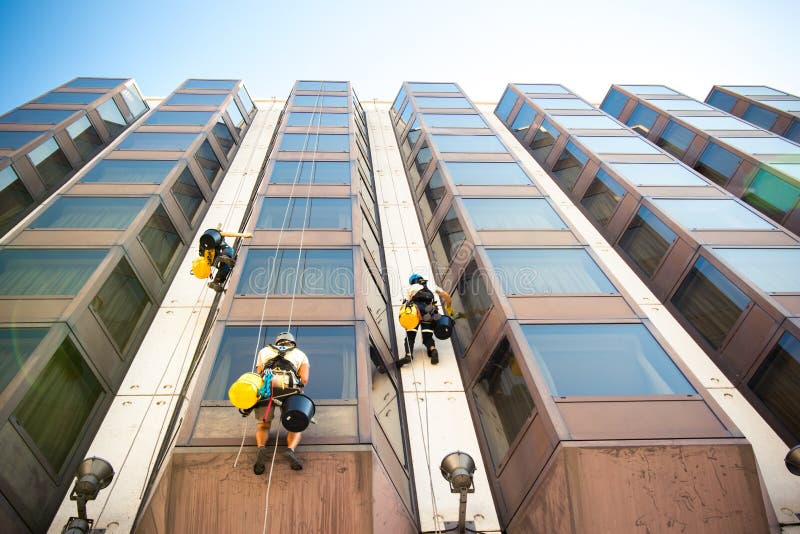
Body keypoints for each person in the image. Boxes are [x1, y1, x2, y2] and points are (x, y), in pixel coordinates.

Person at [248, 332, 310, 473]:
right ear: (292, 343)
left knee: (263, 425)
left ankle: (261, 447)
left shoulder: (264, 351)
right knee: (295, 426)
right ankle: (290, 449)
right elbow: (304, 379)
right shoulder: (300, 354)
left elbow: (259, 373)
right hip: (289, 389)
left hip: (267, 389)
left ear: (277, 342)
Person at [398, 274, 452, 366]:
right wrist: (449, 308)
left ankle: (408, 355)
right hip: (429, 311)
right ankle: (433, 350)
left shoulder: (411, 288)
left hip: (416, 312)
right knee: (427, 336)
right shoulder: (431, 285)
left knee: (410, 335)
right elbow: (447, 296)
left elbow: (407, 302)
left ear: (412, 282)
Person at [197, 228, 252, 292]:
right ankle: (225, 256)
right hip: (218, 257)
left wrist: (209, 272)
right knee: (229, 249)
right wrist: (244, 235)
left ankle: (215, 282)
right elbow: (230, 234)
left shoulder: (202, 243)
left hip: (212, 261)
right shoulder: (217, 235)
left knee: (224, 266)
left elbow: (204, 258)